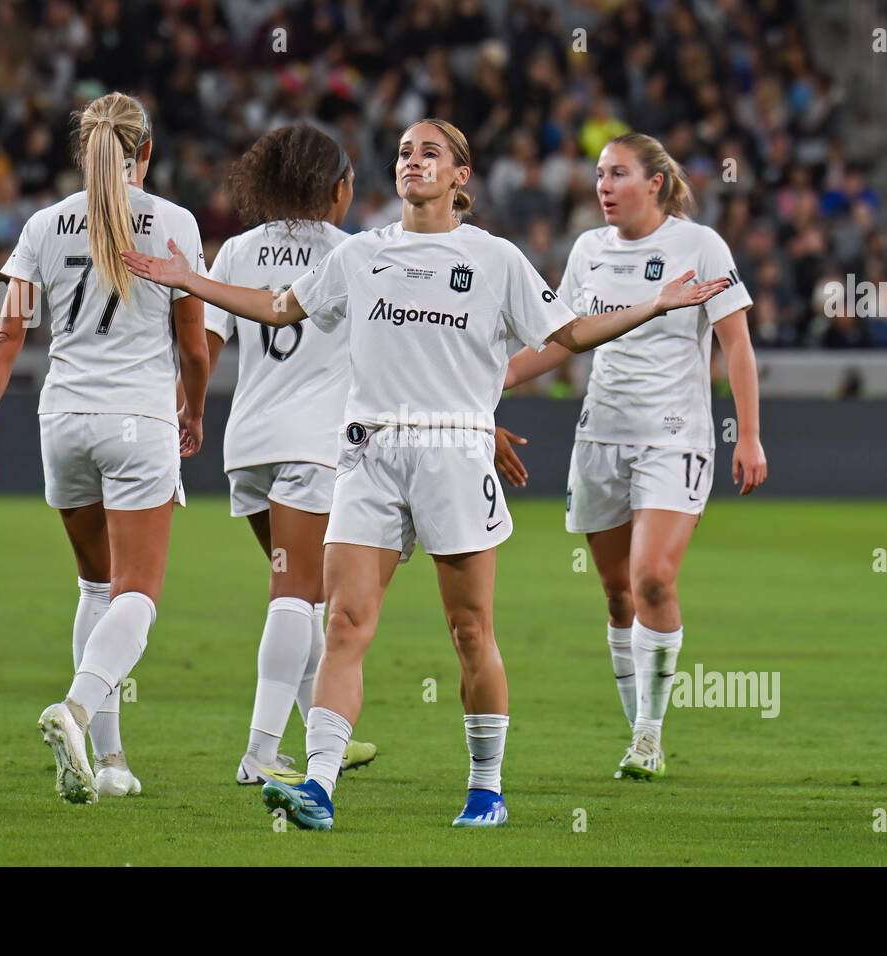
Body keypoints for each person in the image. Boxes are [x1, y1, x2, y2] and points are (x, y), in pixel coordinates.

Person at [122, 119, 729, 829]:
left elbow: (569, 334)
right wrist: (187, 280)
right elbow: (281, 306)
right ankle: (317, 784)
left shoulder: (495, 259)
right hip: (369, 453)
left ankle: (486, 789)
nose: (413, 161)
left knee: (470, 631)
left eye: (430, 152)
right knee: (345, 622)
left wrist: (655, 304)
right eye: (406, 152)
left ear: (460, 176)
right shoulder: (363, 254)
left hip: (455, 454)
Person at [0, 92, 209, 804]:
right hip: (138, 419)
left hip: (62, 419)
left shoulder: (41, 225)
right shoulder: (176, 223)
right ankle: (77, 711)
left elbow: (6, 339)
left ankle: (113, 760)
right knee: (140, 594)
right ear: (145, 152)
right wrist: (194, 407)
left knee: (97, 587)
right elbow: (193, 347)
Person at [501, 133, 766, 780]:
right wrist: (491, 382)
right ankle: (637, 731)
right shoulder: (588, 250)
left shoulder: (699, 246)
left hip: (675, 437)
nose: (603, 186)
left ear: (654, 182)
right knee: (618, 594)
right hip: (600, 436)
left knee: (653, 578)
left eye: (618, 174)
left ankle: (649, 735)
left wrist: (750, 434)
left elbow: (735, 344)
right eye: (598, 174)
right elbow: (562, 339)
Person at [204, 124, 377, 786]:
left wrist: (188, 410)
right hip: (315, 444)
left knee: (302, 596)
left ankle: (318, 732)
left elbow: (204, 344)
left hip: (248, 446)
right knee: (298, 592)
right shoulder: (355, 255)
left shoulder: (237, 251)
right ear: (336, 190)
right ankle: (259, 753)